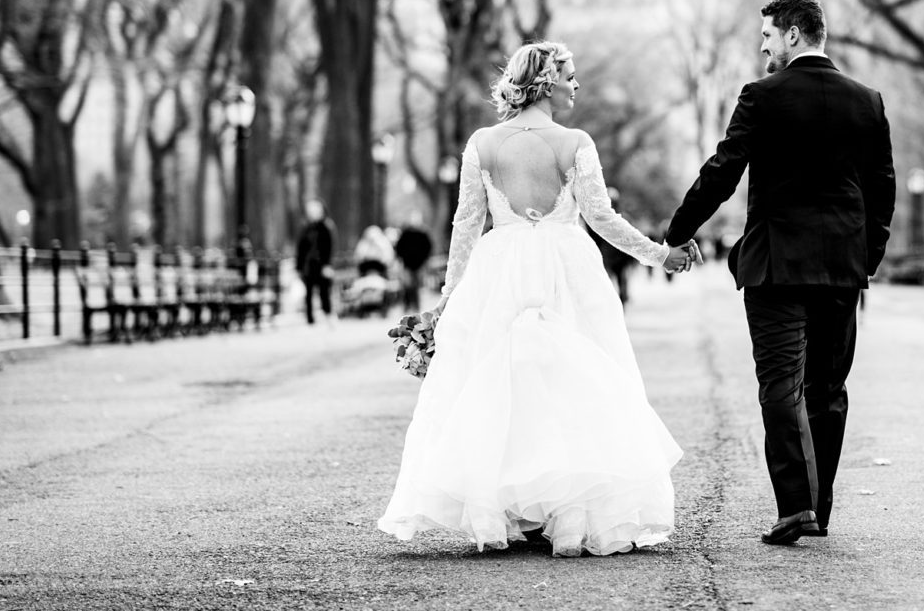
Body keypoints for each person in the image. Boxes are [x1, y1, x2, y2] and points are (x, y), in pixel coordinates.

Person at [379, 41, 695, 558]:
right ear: (547, 82)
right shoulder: (574, 143)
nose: (576, 85)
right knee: (573, 382)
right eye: (571, 76)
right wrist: (659, 256)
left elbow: (466, 226)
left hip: (498, 268)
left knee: (500, 385)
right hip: (565, 269)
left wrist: (450, 298)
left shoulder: (482, 143)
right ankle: (568, 512)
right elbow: (601, 219)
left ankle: (506, 510)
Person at [662, 0, 895, 546]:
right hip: (841, 267)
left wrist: (677, 233)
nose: (762, 46)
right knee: (828, 388)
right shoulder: (867, 102)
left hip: (775, 266)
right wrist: (867, 257)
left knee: (779, 385)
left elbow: (723, 171)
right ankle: (819, 507)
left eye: (767, 36)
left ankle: (795, 507)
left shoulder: (761, 97)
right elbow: (882, 190)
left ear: (793, 36)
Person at [295, 199, 335, 325]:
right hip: (309, 265)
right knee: (308, 292)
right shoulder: (307, 228)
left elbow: (330, 247)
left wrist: (327, 264)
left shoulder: (326, 226)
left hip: (322, 264)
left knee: (324, 291)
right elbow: (301, 248)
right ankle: (310, 319)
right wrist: (299, 266)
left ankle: (328, 314)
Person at [393, 214, 433, 312]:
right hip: (408, 264)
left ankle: (415, 305)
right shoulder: (406, 234)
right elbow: (399, 247)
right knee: (408, 285)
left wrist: (425, 260)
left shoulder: (423, 234)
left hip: (418, 264)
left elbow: (428, 248)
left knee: (415, 285)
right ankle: (409, 305)